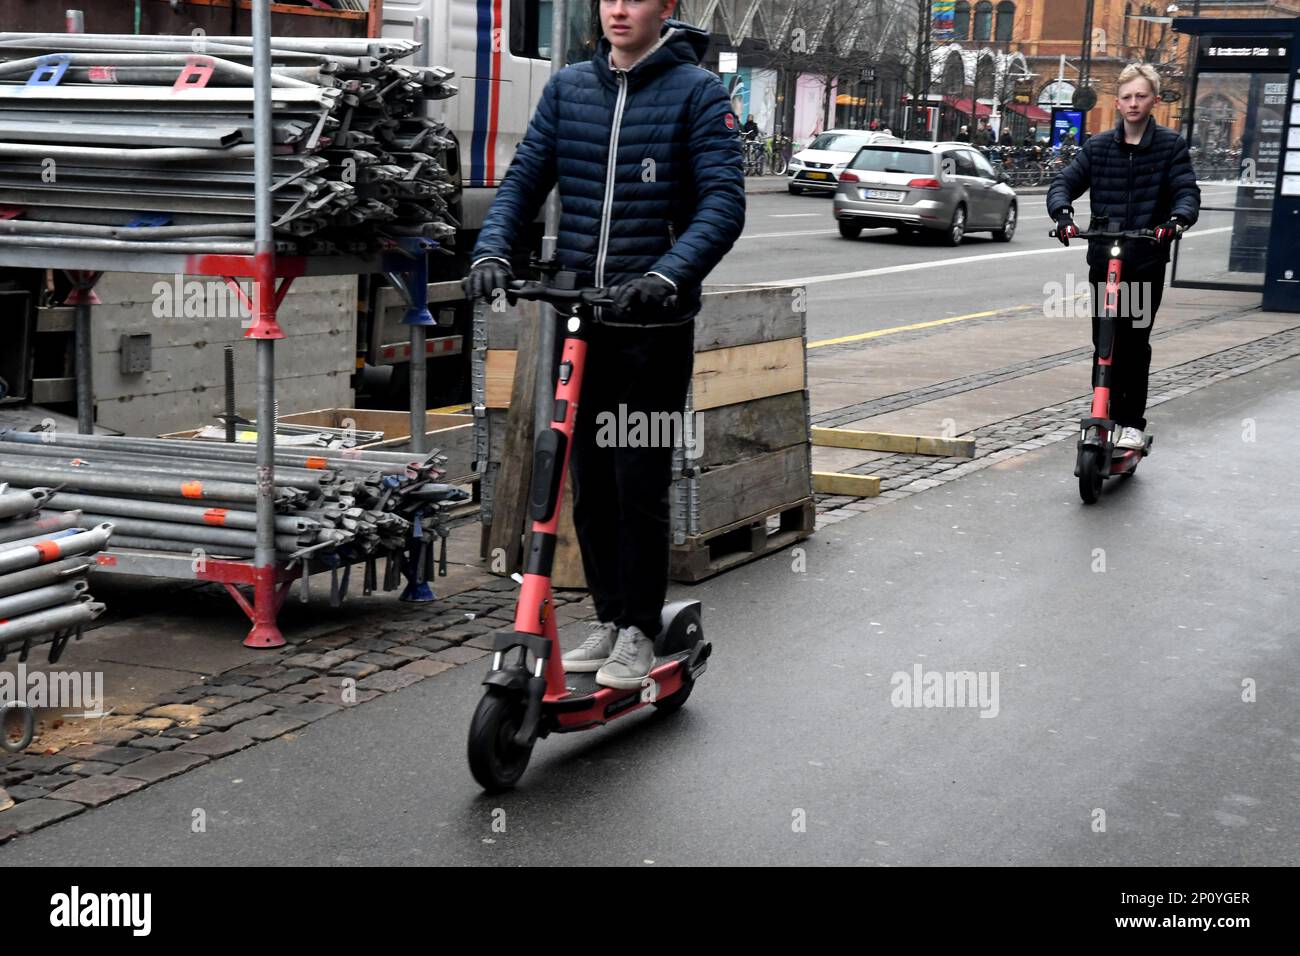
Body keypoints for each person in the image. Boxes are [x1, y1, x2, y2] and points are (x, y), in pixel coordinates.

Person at [463, 0, 745, 689]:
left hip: (652, 326)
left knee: (637, 483)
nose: (618, 8)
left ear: (666, 9)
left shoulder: (697, 93)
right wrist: (493, 246)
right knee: (586, 484)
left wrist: (665, 274)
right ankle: (612, 616)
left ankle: (643, 629)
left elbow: (722, 204)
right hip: (581, 320)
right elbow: (525, 178)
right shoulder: (569, 87)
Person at [1047, 62, 1200, 451]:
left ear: (1154, 100)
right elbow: (1065, 181)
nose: (1134, 103)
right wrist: (1063, 215)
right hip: (1105, 259)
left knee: (1134, 343)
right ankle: (1105, 415)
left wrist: (1176, 220)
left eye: (1141, 96)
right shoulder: (1099, 147)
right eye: (1128, 97)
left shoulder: (1170, 146)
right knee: (1104, 341)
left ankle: (1131, 422)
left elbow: (1186, 191)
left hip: (1145, 260)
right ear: (1117, 102)